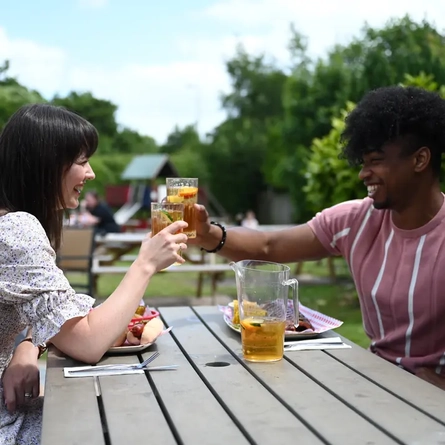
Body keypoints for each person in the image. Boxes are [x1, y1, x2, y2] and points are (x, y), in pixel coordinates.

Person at [192, 86, 445, 390]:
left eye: (376, 161)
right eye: (363, 162)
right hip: (376, 383)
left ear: (420, 160)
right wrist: (207, 234)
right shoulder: (355, 221)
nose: (364, 174)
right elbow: (268, 246)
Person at [0, 104, 188, 444]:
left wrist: (27, 346)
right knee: (137, 423)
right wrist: (144, 264)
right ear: (47, 163)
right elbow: (87, 342)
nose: (91, 174)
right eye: (82, 161)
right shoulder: (15, 229)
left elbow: (44, 314)